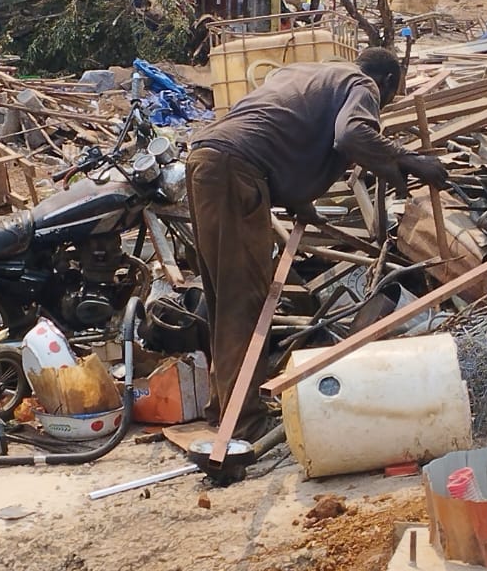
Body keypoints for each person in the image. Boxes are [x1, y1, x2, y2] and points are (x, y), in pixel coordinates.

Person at [185, 49, 448, 441]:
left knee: (224, 296)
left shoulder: (307, 71)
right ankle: (243, 421)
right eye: (391, 97)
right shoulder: (363, 85)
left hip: (206, 160)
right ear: (389, 82)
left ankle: (223, 407)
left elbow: (281, 129)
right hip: (235, 170)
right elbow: (352, 134)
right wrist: (410, 160)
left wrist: (297, 198)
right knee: (244, 300)